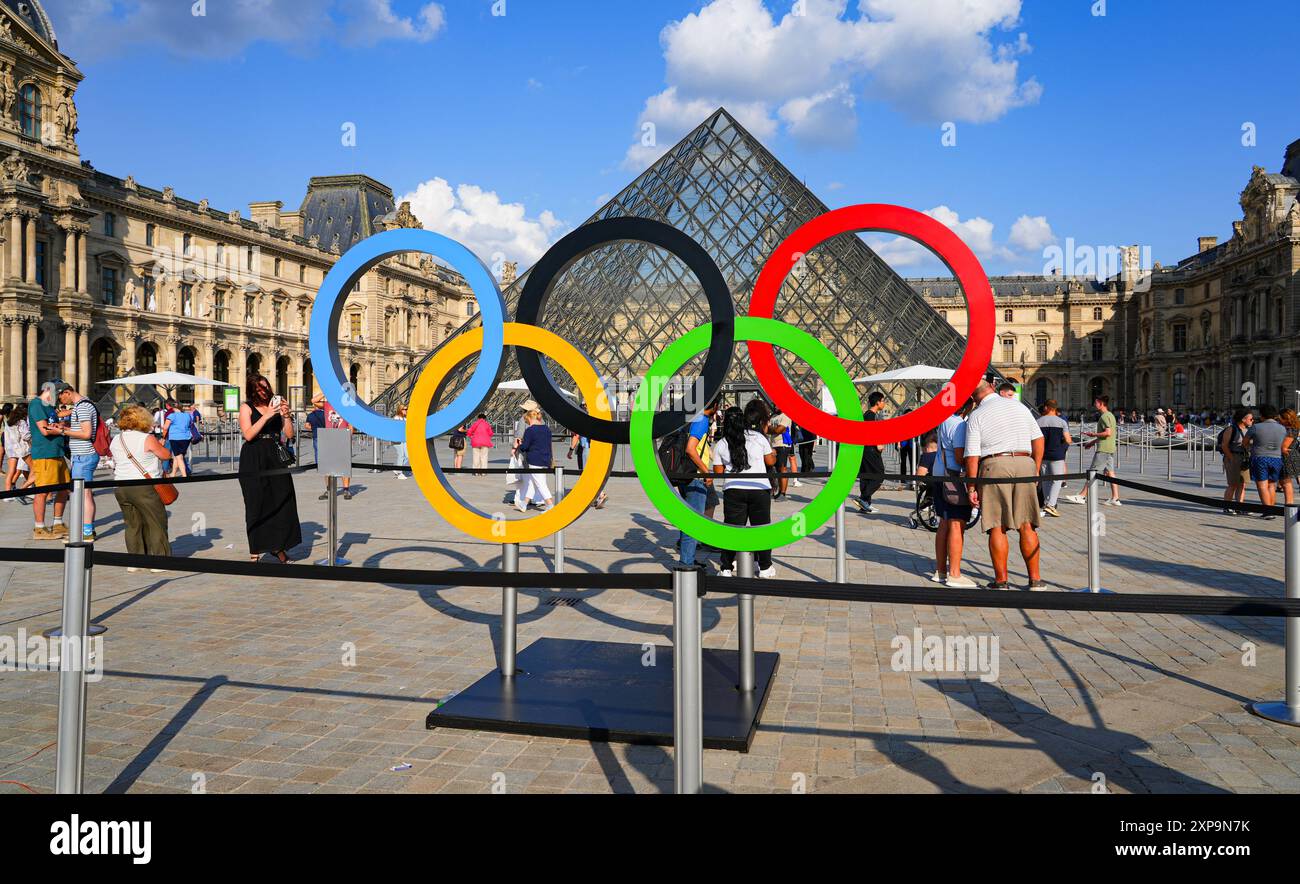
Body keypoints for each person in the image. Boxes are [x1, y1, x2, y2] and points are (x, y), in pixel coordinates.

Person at [963, 374, 1046, 591]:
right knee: (1027, 524)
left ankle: (1001, 581)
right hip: (1024, 462)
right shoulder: (1018, 407)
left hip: (995, 465)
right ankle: (1035, 580)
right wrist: (1035, 468)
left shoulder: (977, 415)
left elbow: (972, 455)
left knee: (997, 526)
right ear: (992, 385)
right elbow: (1038, 439)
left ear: (972, 396)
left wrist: (971, 486)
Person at [238, 373, 302, 562]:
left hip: (275, 456)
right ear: (252, 390)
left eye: (265, 387)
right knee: (256, 503)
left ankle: (278, 547)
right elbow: (248, 435)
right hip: (254, 457)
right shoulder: (246, 407)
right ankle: (256, 549)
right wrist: (266, 416)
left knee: (282, 500)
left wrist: (286, 415)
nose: (263, 392)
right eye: (258, 388)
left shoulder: (276, 405)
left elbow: (289, 434)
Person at [713, 401, 777, 578]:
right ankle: (764, 567)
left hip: (734, 490)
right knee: (762, 529)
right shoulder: (758, 437)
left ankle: (726, 567)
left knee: (732, 530)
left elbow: (718, 472)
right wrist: (773, 454)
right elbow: (770, 462)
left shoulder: (722, 443)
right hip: (759, 488)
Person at [109, 405, 172, 571]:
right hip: (144, 487)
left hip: (121, 485)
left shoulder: (116, 439)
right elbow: (166, 455)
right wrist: (161, 444)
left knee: (132, 524)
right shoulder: (146, 438)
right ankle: (159, 562)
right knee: (155, 522)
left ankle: (135, 561)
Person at [932, 397, 976, 588]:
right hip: (953, 478)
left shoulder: (944, 421)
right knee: (957, 524)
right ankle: (955, 574)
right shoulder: (959, 425)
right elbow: (959, 457)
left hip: (938, 474)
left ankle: (940, 571)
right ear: (968, 406)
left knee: (944, 523)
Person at [678, 397, 720, 567]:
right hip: (695, 476)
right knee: (694, 521)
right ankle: (687, 563)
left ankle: (688, 556)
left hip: (684, 473)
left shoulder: (690, 418)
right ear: (715, 406)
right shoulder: (702, 420)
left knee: (688, 517)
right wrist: (705, 470)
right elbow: (690, 448)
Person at [60, 382, 103, 541]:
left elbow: (86, 434)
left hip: (84, 455)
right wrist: (68, 425)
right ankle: (84, 529)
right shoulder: (81, 405)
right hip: (81, 456)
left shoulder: (83, 406)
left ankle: (86, 532)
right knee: (81, 493)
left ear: (67, 392)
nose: (62, 403)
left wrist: (62, 430)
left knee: (83, 494)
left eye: (61, 398)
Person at [28, 380, 70, 541]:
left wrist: (60, 424)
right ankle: (39, 528)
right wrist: (63, 430)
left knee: (64, 488)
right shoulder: (37, 404)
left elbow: (52, 424)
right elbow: (44, 430)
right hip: (45, 453)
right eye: (59, 394)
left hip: (57, 452)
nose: (60, 398)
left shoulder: (49, 406)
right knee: (43, 492)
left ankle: (57, 523)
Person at [1064, 395, 1120, 507]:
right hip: (1110, 447)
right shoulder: (1111, 415)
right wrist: (1092, 442)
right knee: (1110, 473)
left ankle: (1082, 496)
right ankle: (1115, 498)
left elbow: (1107, 433)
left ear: (1101, 403)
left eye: (1096, 402)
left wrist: (1092, 434)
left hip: (1103, 449)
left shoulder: (1104, 417)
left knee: (1092, 472)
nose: (1095, 404)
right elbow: (1109, 435)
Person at [1246, 404, 1287, 521]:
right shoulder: (1282, 428)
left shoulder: (1256, 427)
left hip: (1260, 458)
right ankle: (1272, 508)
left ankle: (1267, 511)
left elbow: (1245, 442)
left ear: (1261, 415)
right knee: (1272, 484)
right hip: (1277, 458)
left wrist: (1252, 447)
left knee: (1262, 485)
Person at [1036, 399, 1072, 517]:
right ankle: (1051, 504)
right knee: (1057, 480)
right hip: (1057, 455)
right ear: (1055, 408)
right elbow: (1068, 440)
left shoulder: (1038, 421)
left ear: (1046, 407)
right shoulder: (1062, 422)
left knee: (1045, 480)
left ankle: (1047, 504)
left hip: (1043, 455)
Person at [515, 408, 554, 512]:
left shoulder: (530, 430)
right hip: (545, 459)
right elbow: (549, 445)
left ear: (529, 418)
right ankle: (524, 504)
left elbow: (525, 447)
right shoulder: (547, 429)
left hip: (534, 459)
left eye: (527, 421)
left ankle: (550, 505)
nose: (527, 423)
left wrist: (520, 445)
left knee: (540, 483)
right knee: (533, 482)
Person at [855, 391, 887, 514]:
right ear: (878, 402)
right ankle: (863, 499)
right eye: (883, 401)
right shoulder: (870, 416)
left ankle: (866, 504)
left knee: (866, 476)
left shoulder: (867, 415)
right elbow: (870, 433)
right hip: (871, 450)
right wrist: (878, 444)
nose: (884, 403)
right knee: (879, 474)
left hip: (866, 450)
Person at [1220, 407, 1253, 515]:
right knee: (1233, 484)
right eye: (1250, 419)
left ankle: (1239, 506)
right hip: (1233, 457)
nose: (1252, 421)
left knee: (1242, 484)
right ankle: (1227, 506)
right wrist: (1231, 458)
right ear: (1243, 419)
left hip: (1244, 458)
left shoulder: (1249, 430)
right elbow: (1224, 445)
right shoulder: (1231, 429)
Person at [321, 399, 354, 500]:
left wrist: (348, 438)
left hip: (342, 437)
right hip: (329, 437)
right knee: (327, 467)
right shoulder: (327, 404)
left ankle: (346, 489)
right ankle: (328, 489)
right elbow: (314, 400)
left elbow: (351, 425)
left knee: (345, 466)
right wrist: (327, 391)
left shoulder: (346, 407)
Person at [4, 403, 31, 503]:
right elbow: (25, 436)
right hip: (19, 448)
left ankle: (8, 493)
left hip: (10, 448)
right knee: (15, 470)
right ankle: (11, 493)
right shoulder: (21, 422)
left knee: (11, 471)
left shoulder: (9, 421)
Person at [163, 400, 195, 478]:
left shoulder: (172, 416)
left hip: (175, 438)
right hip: (186, 438)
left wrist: (163, 437)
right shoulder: (187, 415)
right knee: (177, 456)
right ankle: (173, 473)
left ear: (174, 407)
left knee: (179, 457)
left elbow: (165, 427)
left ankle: (184, 475)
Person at [768, 409, 792, 500]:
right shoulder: (773, 416)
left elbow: (780, 429)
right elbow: (767, 428)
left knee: (783, 468)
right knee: (776, 469)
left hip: (783, 445)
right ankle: (778, 491)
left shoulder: (786, 415)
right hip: (773, 445)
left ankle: (783, 493)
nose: (775, 405)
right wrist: (775, 429)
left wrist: (773, 429)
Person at [1279, 408, 1300, 507]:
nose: (1279, 420)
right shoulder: (1292, 428)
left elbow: (1284, 447)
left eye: (1281, 418)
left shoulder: (1291, 430)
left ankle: (1289, 503)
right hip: (1290, 455)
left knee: (1286, 481)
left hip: (1288, 457)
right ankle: (1289, 503)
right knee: (1285, 481)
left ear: (1286, 418)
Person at [305, 395, 327, 464]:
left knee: (317, 451)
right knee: (326, 450)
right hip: (326, 434)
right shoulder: (325, 414)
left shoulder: (310, 415)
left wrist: (313, 428)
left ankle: (318, 465)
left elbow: (306, 426)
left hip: (316, 434)